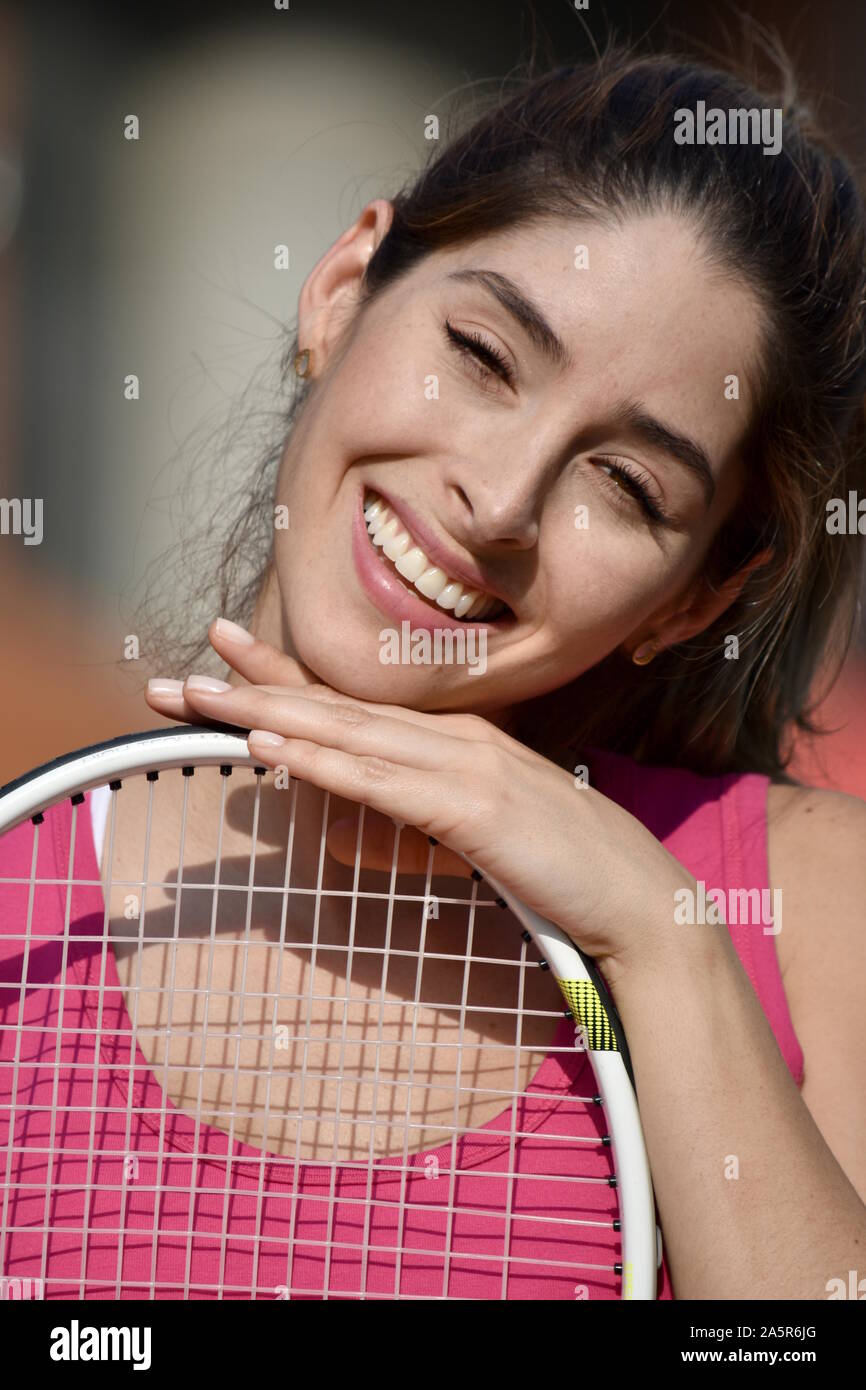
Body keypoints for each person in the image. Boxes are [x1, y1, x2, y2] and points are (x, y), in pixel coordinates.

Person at [5, 43, 866, 1299]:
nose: (500, 500)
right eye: (483, 355)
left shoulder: (806, 913)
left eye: (625, 485)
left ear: (695, 599)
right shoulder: (24, 894)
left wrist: (656, 937)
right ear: (343, 289)